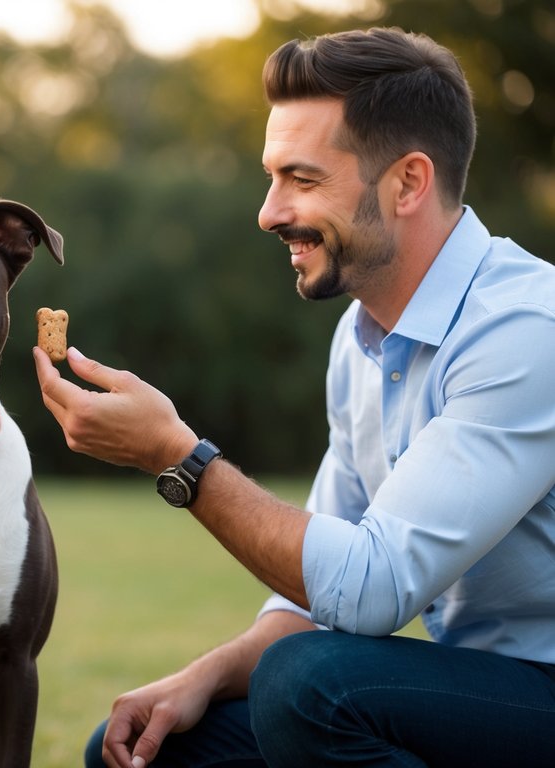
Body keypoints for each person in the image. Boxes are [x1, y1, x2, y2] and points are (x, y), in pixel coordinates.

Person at [33, 27, 555, 768]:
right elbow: (319, 590)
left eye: (301, 180)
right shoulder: (362, 335)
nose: (268, 211)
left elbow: (371, 589)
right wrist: (206, 676)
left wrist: (176, 458)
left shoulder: (526, 331)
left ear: (407, 182)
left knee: (309, 684)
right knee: (146, 750)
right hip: (490, 688)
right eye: (271, 177)